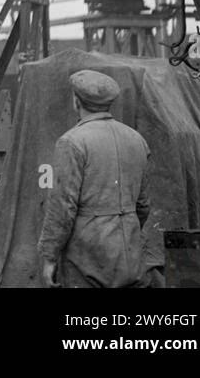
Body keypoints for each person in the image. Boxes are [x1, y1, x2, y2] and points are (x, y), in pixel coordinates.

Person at [37, 69, 153, 288]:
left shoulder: (72, 142)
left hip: (88, 259)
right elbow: (143, 205)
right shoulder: (136, 139)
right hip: (130, 253)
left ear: (76, 101)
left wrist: (49, 256)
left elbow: (63, 209)